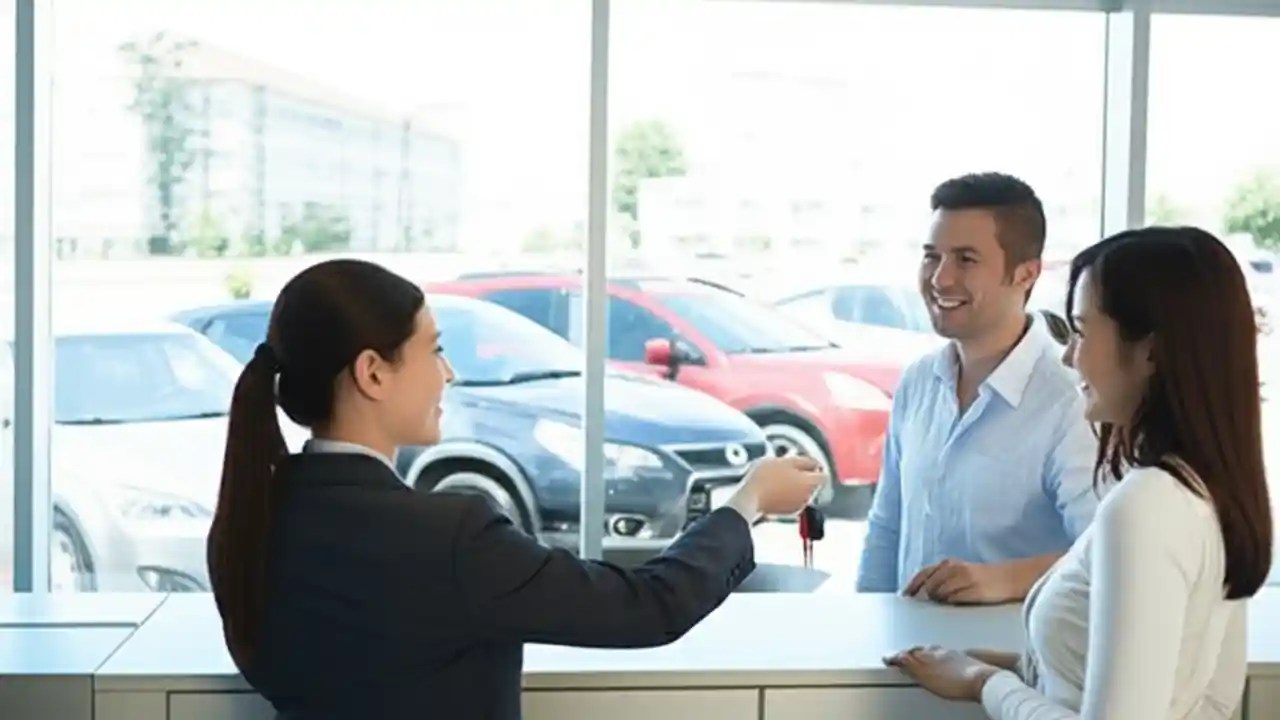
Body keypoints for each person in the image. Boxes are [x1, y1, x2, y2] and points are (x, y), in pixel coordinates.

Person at [206, 258, 825, 720]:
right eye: (434, 350)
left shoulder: (250, 521)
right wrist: (747, 504)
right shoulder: (449, 538)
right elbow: (650, 605)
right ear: (372, 372)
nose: (447, 372)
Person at [885, 226, 1272, 718]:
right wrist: (1015, 670)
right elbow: (1208, 697)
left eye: (1082, 332)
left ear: (1150, 351)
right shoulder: (1208, 492)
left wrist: (983, 683)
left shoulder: (1145, 504)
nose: (1069, 356)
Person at [856, 172, 1098, 604]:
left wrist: (1007, 579)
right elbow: (887, 528)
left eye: (966, 260)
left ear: (1025, 274)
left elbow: (1107, 555)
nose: (941, 279)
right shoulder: (918, 382)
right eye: (932, 257)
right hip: (904, 660)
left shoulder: (1070, 400)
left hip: (1011, 664)